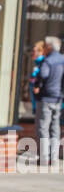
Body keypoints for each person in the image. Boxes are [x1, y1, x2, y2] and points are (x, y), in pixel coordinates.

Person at [36, 34, 64, 167]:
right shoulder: (62, 59)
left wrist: (38, 85)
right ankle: (53, 158)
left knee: (43, 127)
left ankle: (44, 158)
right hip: (58, 98)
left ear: (48, 47)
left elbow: (43, 74)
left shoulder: (48, 61)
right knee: (55, 128)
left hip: (47, 97)